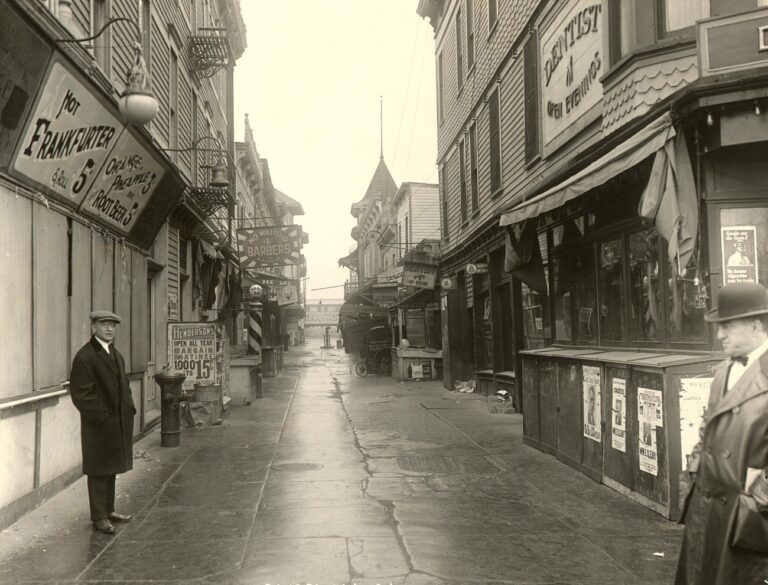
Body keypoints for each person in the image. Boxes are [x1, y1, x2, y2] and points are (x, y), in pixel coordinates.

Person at [676, 283, 768, 584]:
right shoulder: (723, 371)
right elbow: (707, 428)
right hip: (708, 510)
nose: (719, 335)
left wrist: (755, 503)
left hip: (744, 520)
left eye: (727, 326)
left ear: (756, 326)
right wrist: (695, 469)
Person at [69, 310, 137, 535]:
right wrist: (103, 417)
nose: (109, 329)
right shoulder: (85, 356)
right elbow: (82, 394)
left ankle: (108, 510)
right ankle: (98, 517)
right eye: (104, 324)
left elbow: (124, 385)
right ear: (93, 327)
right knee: (99, 470)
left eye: (112, 325)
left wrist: (129, 409)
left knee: (111, 468)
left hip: (116, 422)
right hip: (99, 425)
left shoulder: (114, 353)